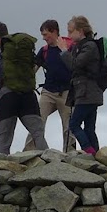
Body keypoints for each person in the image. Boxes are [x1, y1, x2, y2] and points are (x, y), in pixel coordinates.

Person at [0, 21, 47, 154]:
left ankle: (0, 164)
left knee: (4, 138)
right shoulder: (20, 49)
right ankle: (51, 162)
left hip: (7, 96)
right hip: (28, 94)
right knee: (38, 133)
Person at [64, 14, 107, 155]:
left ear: (80, 31)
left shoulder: (89, 46)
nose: (68, 35)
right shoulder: (81, 46)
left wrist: (63, 51)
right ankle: (97, 155)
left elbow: (75, 64)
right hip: (90, 93)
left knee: (74, 124)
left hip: (87, 93)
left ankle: (89, 151)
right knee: (89, 128)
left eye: (71, 31)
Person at [35, 19, 75, 153]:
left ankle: (69, 154)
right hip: (48, 91)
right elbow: (33, 69)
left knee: (68, 127)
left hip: (67, 92)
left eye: (45, 34)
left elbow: (76, 66)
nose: (44, 38)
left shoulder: (69, 46)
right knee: (37, 121)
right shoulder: (44, 51)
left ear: (54, 32)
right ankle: (30, 152)